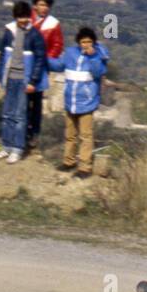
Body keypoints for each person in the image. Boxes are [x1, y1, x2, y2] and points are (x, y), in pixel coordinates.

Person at [50, 26, 110, 179]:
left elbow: (98, 73)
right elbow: (58, 66)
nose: (86, 44)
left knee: (85, 136)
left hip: (87, 103)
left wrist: (93, 57)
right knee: (70, 135)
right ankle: (68, 162)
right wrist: (44, 57)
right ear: (78, 42)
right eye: (83, 42)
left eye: (89, 42)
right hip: (71, 102)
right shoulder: (70, 53)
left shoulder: (98, 55)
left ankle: (85, 167)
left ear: (93, 42)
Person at [0, 1, 46, 164]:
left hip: (24, 80)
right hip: (10, 79)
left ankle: (17, 149)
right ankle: (6, 146)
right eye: (20, 17)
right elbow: (2, 55)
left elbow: (40, 60)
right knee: (7, 114)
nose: (22, 20)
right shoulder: (9, 32)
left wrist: (33, 81)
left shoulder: (35, 35)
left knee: (20, 116)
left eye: (25, 17)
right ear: (15, 17)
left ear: (29, 17)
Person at [28, 0, 64, 152]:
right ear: (35, 5)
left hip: (41, 67)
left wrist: (46, 58)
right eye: (41, 4)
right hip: (25, 64)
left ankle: (34, 134)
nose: (44, 8)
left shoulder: (53, 24)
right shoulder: (25, 18)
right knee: (22, 102)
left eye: (47, 5)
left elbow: (57, 45)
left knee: (36, 102)